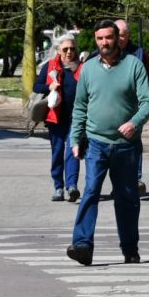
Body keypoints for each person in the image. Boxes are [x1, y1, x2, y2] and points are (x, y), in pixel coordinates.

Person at [66, 20, 149, 266]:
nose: (104, 42)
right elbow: (80, 106)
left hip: (126, 145)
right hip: (96, 143)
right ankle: (82, 245)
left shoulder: (133, 65)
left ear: (118, 38)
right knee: (90, 192)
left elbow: (148, 103)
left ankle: (130, 249)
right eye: (100, 38)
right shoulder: (88, 69)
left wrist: (134, 123)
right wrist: (76, 138)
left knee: (127, 198)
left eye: (108, 37)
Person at [33, 35, 83, 202]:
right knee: (57, 152)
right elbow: (36, 86)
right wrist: (50, 86)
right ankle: (58, 187)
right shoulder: (50, 66)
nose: (69, 52)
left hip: (76, 118)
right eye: (65, 49)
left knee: (73, 151)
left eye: (72, 49)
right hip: (55, 117)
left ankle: (72, 186)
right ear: (58, 51)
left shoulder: (82, 68)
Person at [116, 19, 149, 196]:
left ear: (128, 35)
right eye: (116, 35)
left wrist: (140, 92)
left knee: (133, 141)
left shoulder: (139, 53)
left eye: (122, 35)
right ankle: (118, 182)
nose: (119, 39)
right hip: (114, 106)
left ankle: (135, 179)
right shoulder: (106, 53)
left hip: (134, 107)